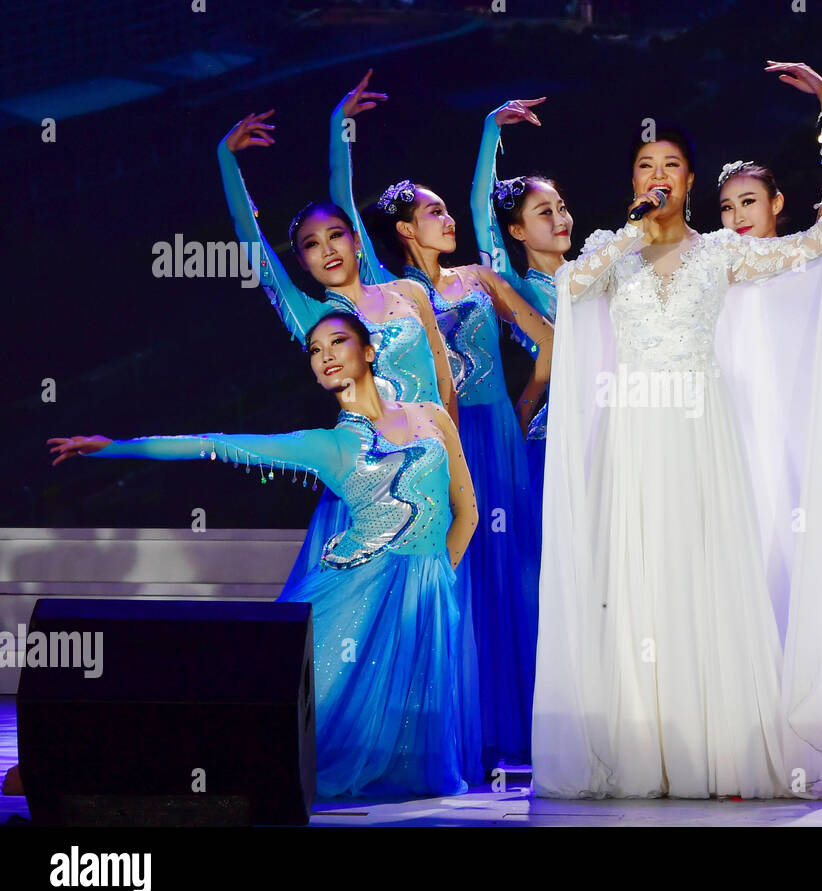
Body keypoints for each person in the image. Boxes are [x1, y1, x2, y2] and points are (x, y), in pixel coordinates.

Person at [534, 119, 822, 799]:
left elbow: (805, 247)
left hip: (701, 431)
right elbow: (570, 289)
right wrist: (629, 235)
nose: (658, 176)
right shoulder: (610, 248)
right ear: (633, 180)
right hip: (632, 428)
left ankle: (714, 746)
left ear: (690, 180)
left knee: (701, 572)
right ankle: (640, 745)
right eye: (646, 165)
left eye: (670, 164)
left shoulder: (720, 251)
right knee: (634, 574)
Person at [47, 313, 481, 796]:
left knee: (390, 739)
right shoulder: (328, 445)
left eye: (337, 341)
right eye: (315, 350)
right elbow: (215, 444)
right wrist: (114, 448)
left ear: (369, 351)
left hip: (423, 592)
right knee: (257, 713)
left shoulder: (432, 415)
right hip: (349, 597)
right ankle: (80, 764)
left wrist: (436, 580)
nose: (326, 355)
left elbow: (468, 514)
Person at [333, 77, 553, 768]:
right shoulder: (390, 290)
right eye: (433, 212)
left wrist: (520, 410)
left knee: (507, 572)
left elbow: (550, 344)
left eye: (446, 209)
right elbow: (344, 210)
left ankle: (515, 725)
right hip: (434, 445)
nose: (448, 218)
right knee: (452, 575)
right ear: (405, 230)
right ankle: (452, 730)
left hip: (494, 438)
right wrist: (340, 129)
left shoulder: (481, 280)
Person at [218, 106, 459, 598]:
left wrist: (339, 127)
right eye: (311, 245)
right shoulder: (312, 318)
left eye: (335, 236)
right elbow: (252, 244)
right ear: (301, 261)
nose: (327, 249)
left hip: (436, 472)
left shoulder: (407, 293)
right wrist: (226, 159)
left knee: (436, 608)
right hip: (372, 488)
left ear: (355, 240)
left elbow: (442, 383)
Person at [715, 61, 822, 744]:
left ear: (777, 203)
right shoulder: (713, 265)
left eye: (749, 202)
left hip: (783, 447)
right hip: (727, 439)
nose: (737, 217)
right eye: (727, 207)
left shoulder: (806, 255)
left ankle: (798, 715)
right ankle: (738, 718)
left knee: (788, 565)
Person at [470, 96, 572, 494]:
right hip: (564, 430)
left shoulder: (596, 269)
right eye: (545, 212)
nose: (560, 219)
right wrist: (491, 127)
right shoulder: (518, 290)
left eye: (561, 207)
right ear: (516, 231)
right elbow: (481, 209)